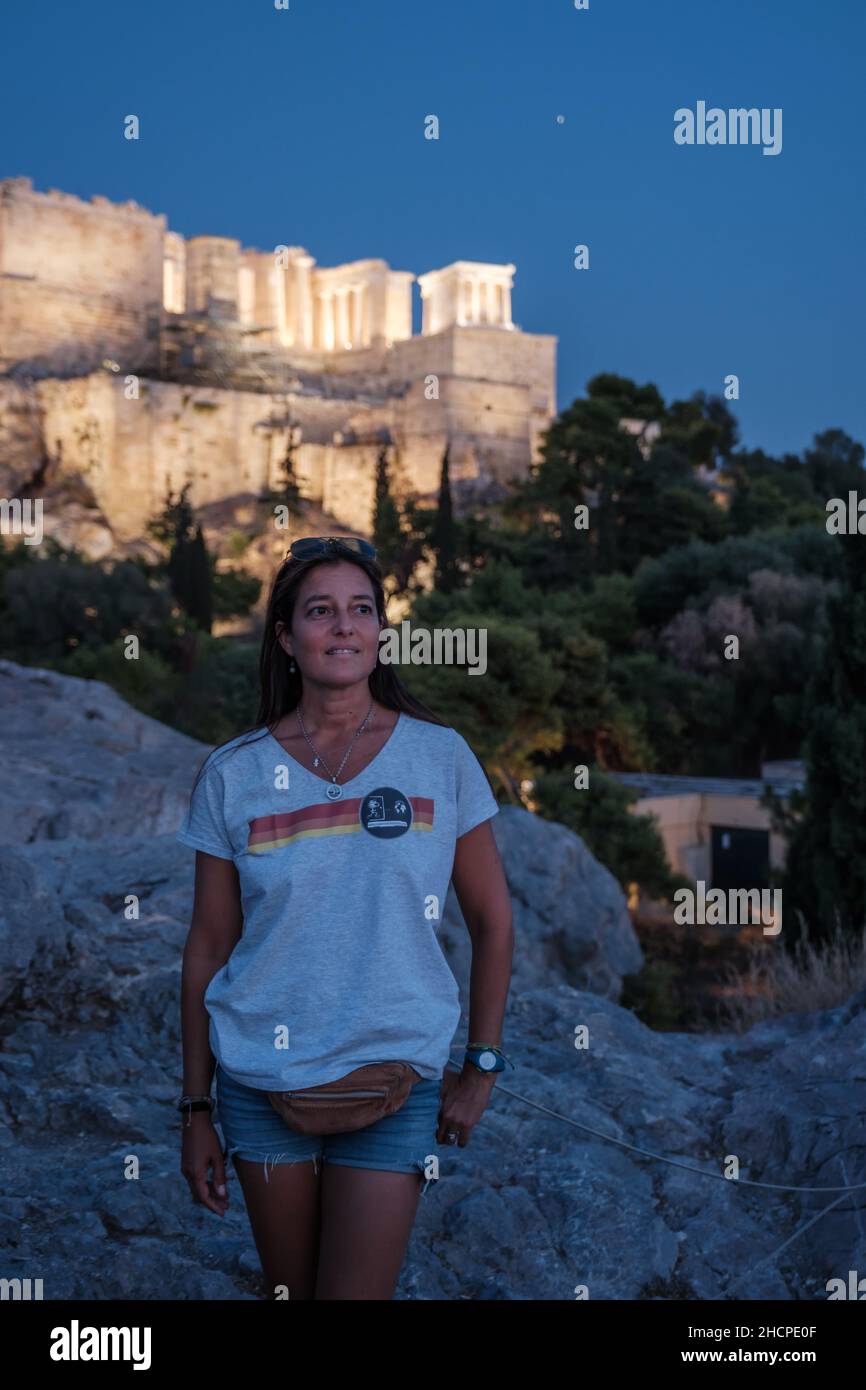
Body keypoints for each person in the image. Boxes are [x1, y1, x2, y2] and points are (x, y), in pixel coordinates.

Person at [177, 535, 513, 1300]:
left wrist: (482, 1066)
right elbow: (206, 950)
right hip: (262, 1082)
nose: (344, 626)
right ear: (287, 638)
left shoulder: (441, 757)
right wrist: (195, 1109)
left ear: (382, 634)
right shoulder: (233, 775)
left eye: (362, 610)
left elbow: (494, 921)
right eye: (320, 611)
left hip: (395, 1078)